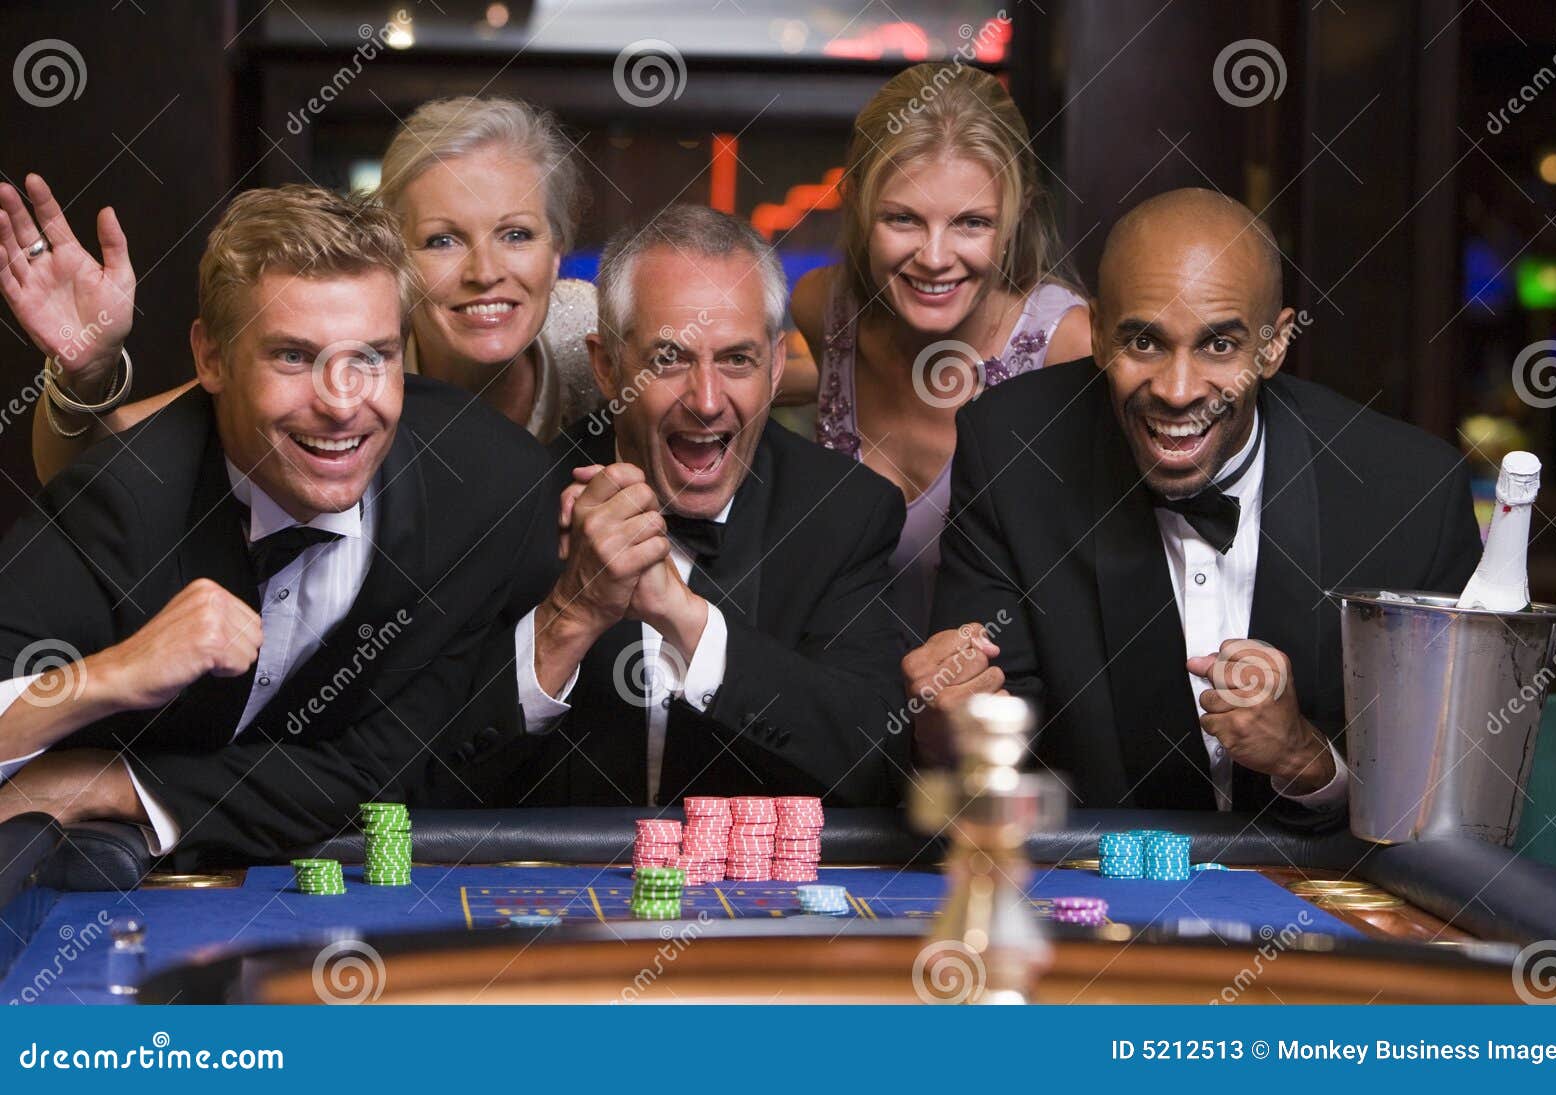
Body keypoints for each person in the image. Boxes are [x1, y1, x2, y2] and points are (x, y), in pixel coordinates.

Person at [0, 185, 561, 864]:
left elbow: (378, 770)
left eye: (373, 356)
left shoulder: (488, 488)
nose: (341, 403)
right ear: (211, 359)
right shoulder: (123, 503)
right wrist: (117, 674)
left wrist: (114, 782)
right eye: (293, 356)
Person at [906, 189, 1482, 824]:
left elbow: (1455, 794)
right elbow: (994, 748)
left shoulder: (1409, 493)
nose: (1177, 391)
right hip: (1096, 896)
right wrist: (945, 724)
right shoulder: (1013, 453)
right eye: (1145, 343)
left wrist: (1304, 759)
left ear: (1275, 344)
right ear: (1097, 335)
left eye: (1219, 346)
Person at [435, 205, 908, 808]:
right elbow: (437, 776)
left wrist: (685, 618)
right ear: (607, 367)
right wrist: (571, 615)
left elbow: (875, 765)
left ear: (774, 367)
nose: (707, 401)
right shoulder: (511, 501)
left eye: (736, 358)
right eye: (669, 359)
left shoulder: (845, 510)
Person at [0, 96, 598, 483]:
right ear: (392, 263)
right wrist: (86, 368)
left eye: (516, 233)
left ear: (557, 252)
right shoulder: (335, 349)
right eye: (442, 241)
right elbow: (82, 469)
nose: (484, 271)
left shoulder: (596, 341)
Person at [786, 64, 1091, 637]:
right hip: (846, 700)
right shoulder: (824, 309)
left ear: (1017, 217)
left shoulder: (1070, 349)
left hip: (1004, 713)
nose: (933, 257)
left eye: (971, 223)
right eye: (902, 218)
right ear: (857, 206)